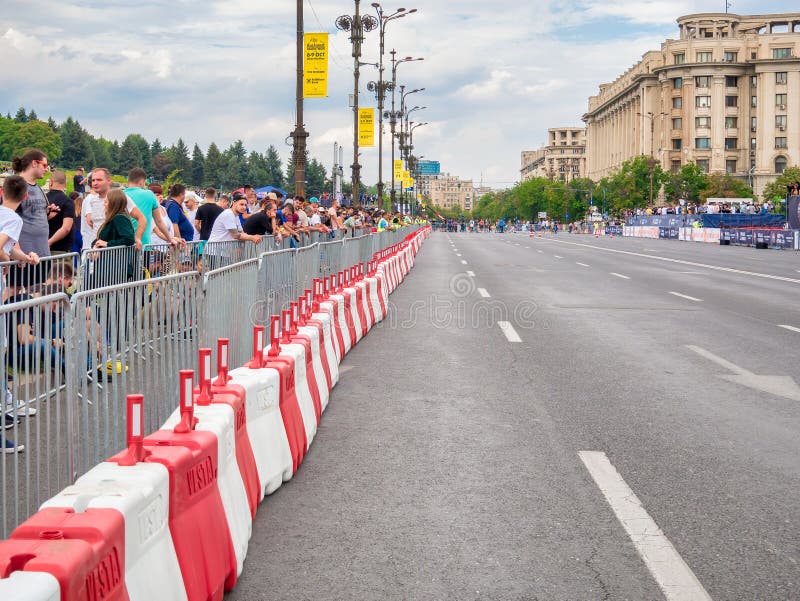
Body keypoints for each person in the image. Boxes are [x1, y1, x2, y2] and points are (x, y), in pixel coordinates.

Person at [83, 168, 147, 250]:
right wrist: (94, 246)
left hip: (114, 254)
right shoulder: (91, 200)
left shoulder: (120, 198)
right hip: (97, 251)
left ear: (109, 181)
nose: (95, 183)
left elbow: (141, 218)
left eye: (99, 180)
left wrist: (137, 238)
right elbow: (92, 225)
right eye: (93, 180)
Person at [124, 168, 181, 247]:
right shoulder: (149, 194)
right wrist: (170, 239)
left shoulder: (120, 195)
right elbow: (159, 221)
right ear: (142, 181)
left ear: (128, 180)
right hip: (143, 245)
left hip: (122, 246)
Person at [46, 170, 76, 254]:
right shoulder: (68, 201)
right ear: (65, 184)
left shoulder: (43, 199)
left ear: (50, 182)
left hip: (42, 248)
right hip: (60, 249)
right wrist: (50, 242)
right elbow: (66, 228)